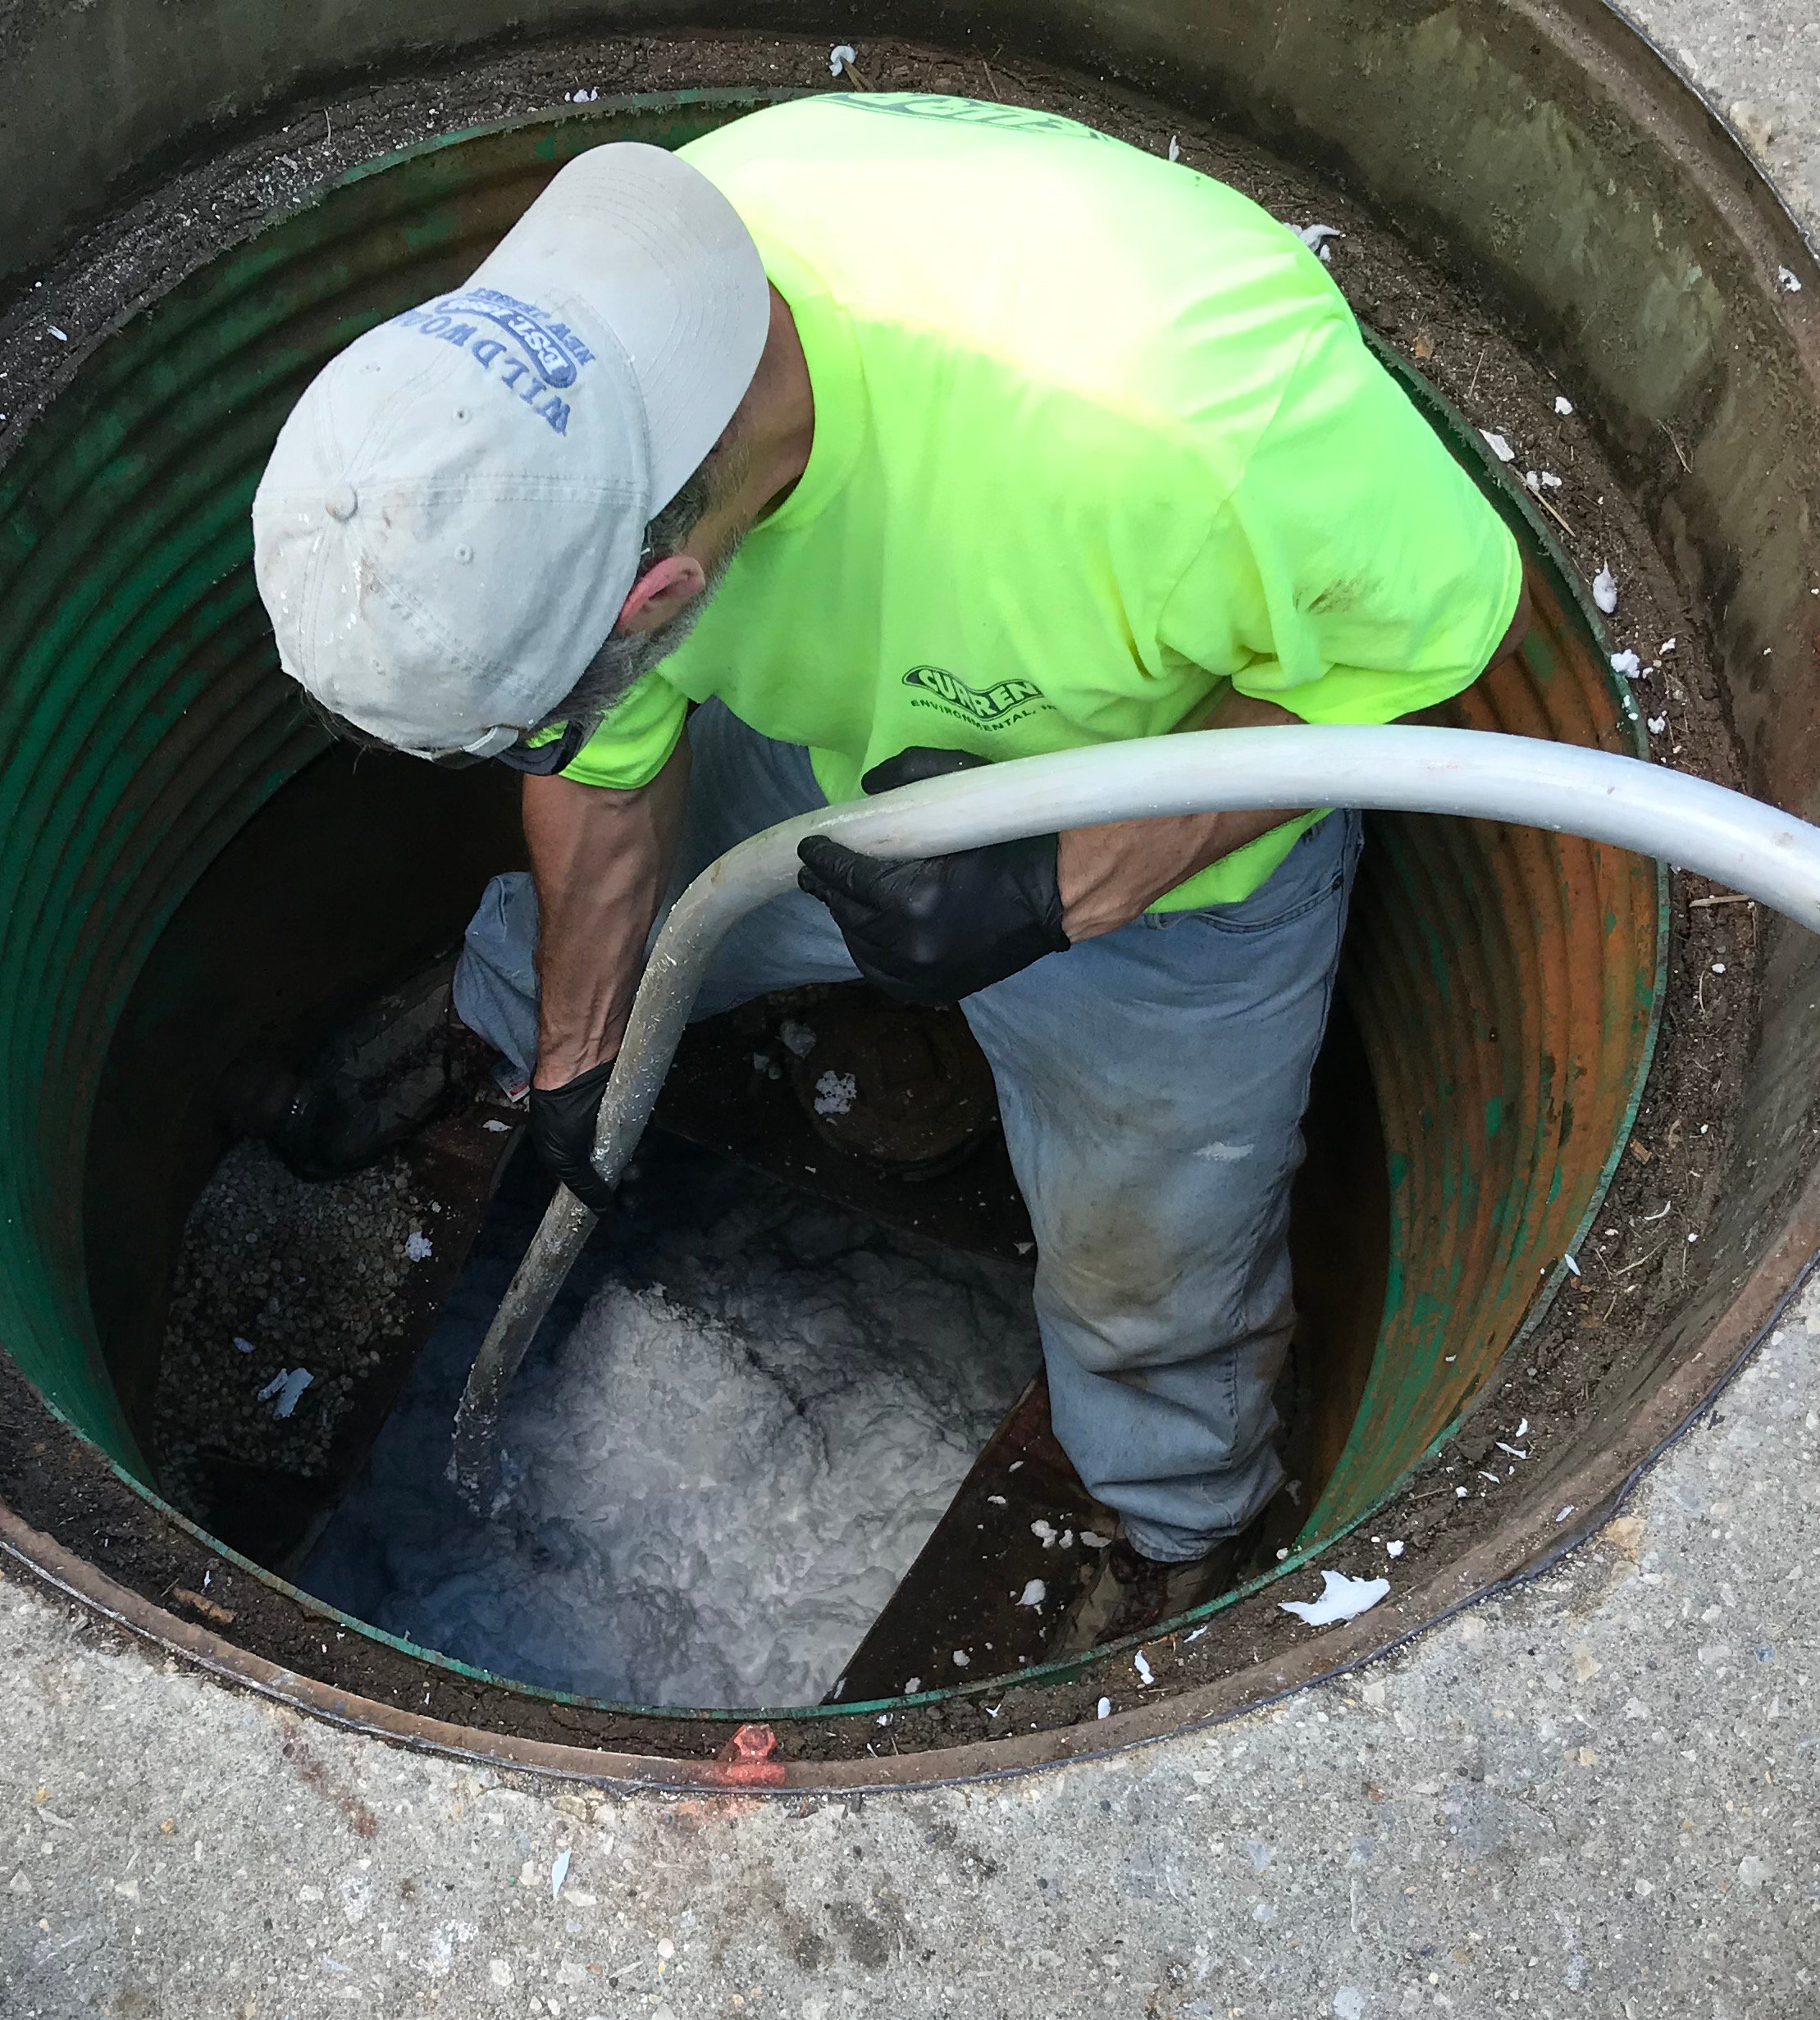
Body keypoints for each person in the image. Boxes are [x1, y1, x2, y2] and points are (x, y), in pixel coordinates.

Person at [250, 93, 1520, 1656]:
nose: (553, 734)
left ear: (665, 590)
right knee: (581, 968)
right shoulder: (601, 364)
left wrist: (1064, 878)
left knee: (1158, 1272)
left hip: (1168, 809)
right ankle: (500, 1052)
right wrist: (589, 1059)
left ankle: (1180, 1528)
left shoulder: (1185, 427)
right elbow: (606, 773)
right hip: (831, 733)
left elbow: (1427, 646)